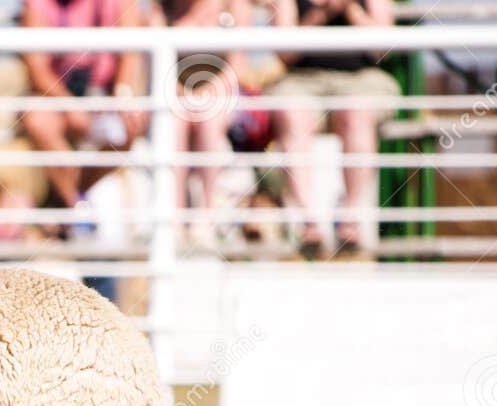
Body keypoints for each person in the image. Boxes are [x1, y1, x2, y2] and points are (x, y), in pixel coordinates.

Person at [267, 0, 399, 256]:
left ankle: (350, 219)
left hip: (361, 80)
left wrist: (350, 8)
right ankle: (309, 223)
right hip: (302, 81)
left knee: (356, 111)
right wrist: (321, 14)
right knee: (291, 112)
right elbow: (284, 52)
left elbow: (384, 47)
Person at [18, 0, 149, 212]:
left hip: (103, 97)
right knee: (37, 119)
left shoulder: (120, 4)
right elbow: (37, 70)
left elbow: (130, 54)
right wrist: (70, 106)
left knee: (130, 126)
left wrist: (122, 95)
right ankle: (77, 207)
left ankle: (68, 202)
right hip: (56, 99)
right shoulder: (36, 5)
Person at [153, 0, 250, 246]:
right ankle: (172, 217)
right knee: (174, 122)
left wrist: (205, 92)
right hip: (174, 93)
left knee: (209, 121)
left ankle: (204, 216)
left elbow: (238, 67)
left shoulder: (233, 6)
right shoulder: (160, 9)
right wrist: (183, 93)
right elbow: (156, 66)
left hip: (222, 92)